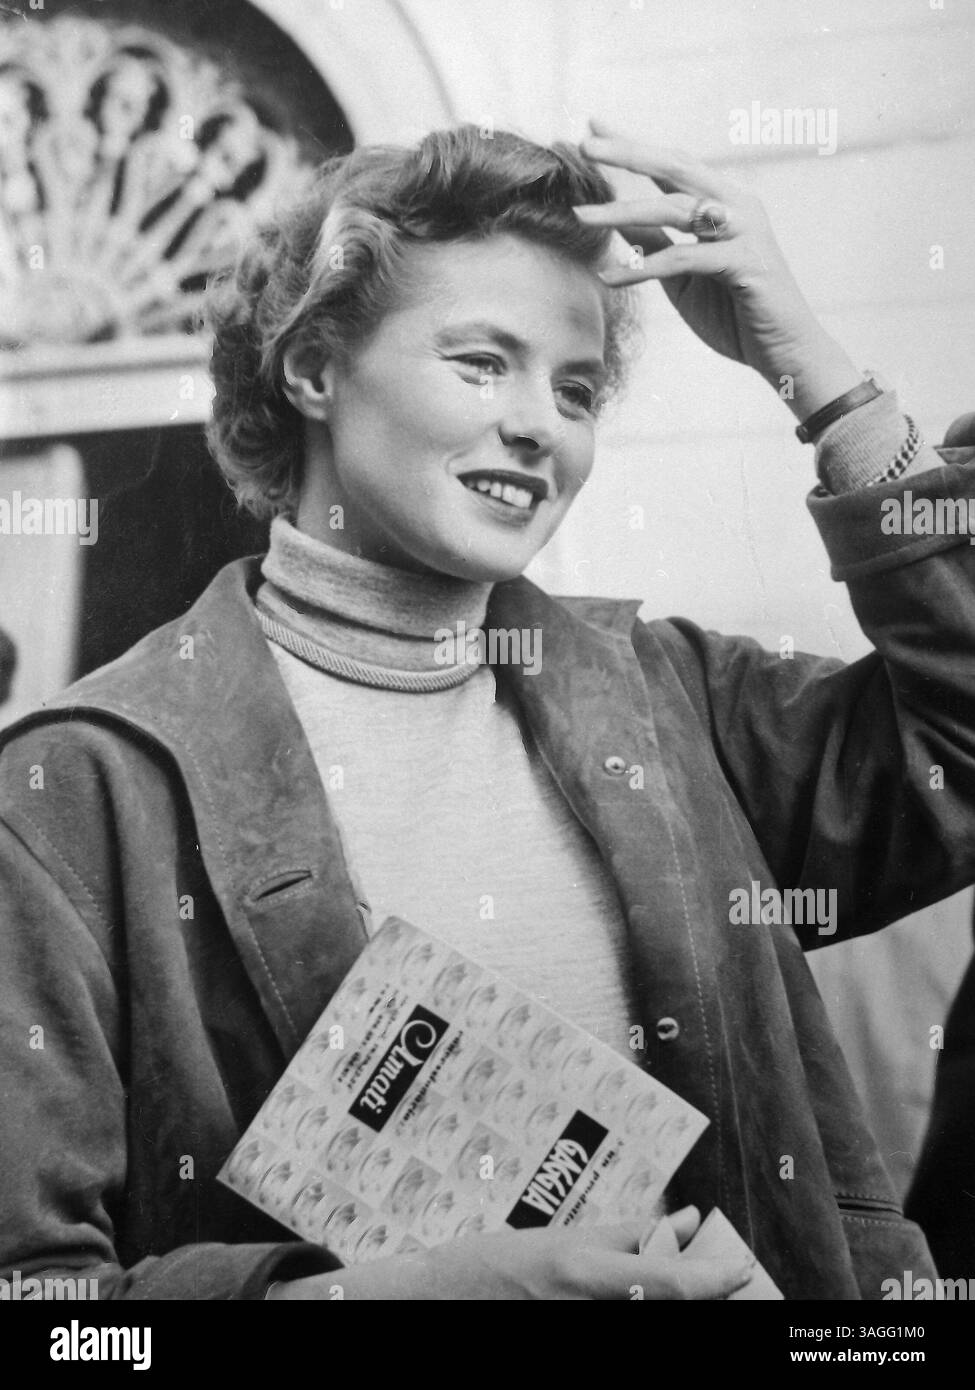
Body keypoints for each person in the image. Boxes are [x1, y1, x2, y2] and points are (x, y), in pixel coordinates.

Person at [1, 122, 973, 1302]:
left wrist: (812, 371)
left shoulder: (670, 701)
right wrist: (418, 1291)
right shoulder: (81, 790)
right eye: (479, 362)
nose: (539, 423)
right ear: (312, 368)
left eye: (575, 389)